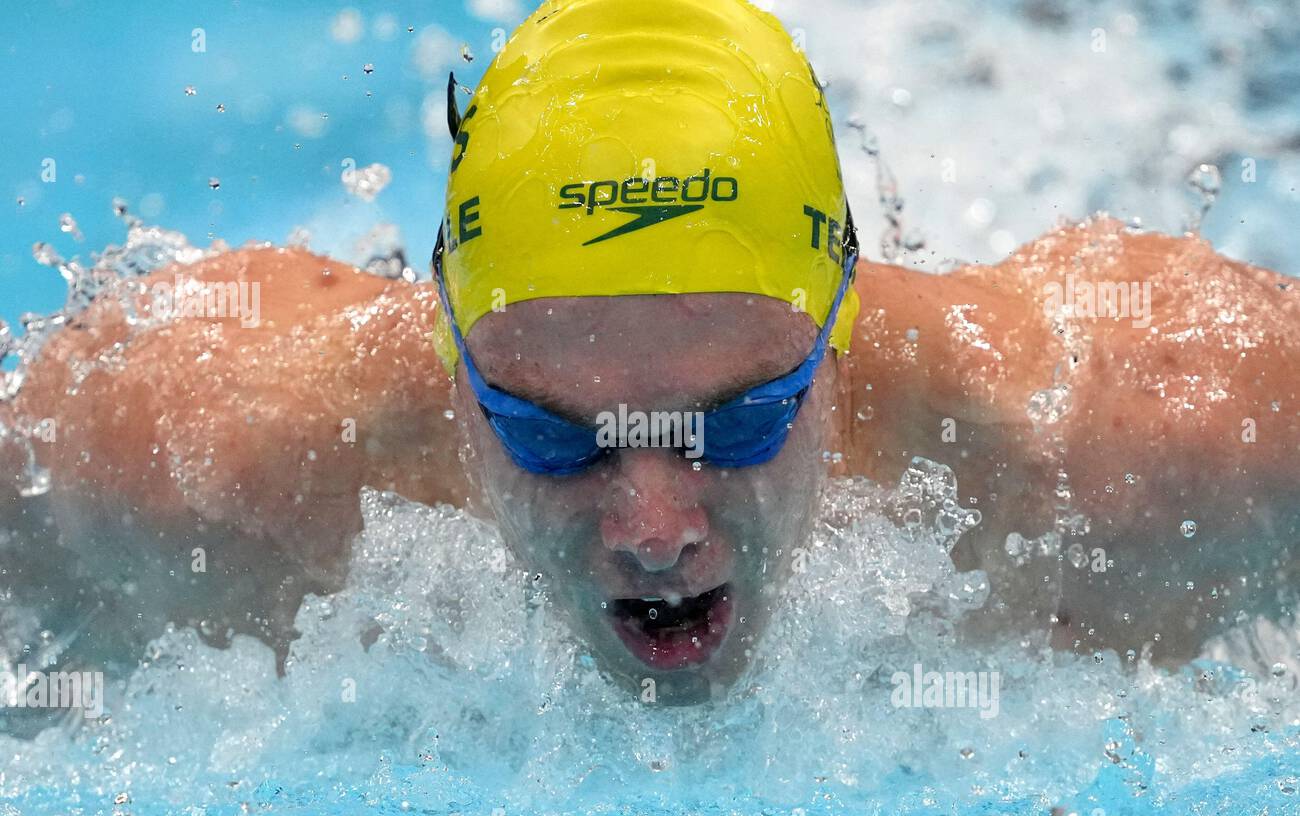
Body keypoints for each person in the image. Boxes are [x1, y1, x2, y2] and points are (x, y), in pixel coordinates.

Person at [1, 0, 1296, 702]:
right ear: (448, 346)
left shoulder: (1165, 441)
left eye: (738, 422)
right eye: (548, 431)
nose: (652, 527)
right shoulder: (185, 473)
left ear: (842, 323)